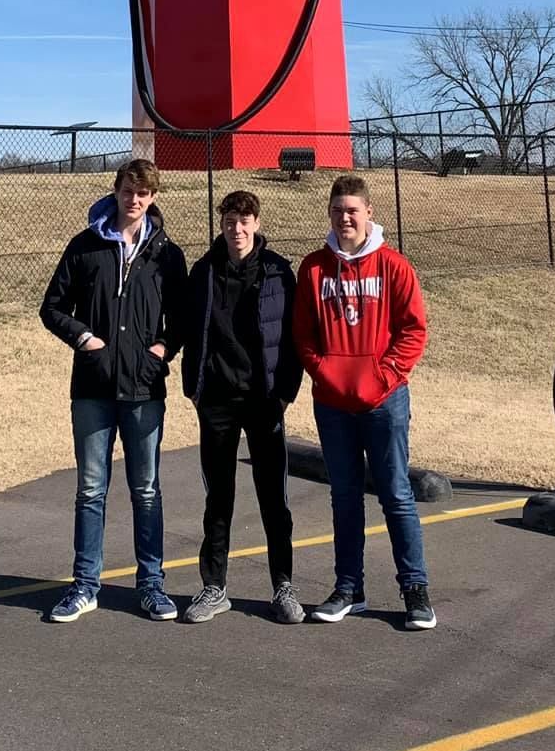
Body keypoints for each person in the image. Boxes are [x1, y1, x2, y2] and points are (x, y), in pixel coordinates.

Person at [39, 157, 186, 623]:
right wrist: (85, 338)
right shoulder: (85, 246)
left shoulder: (167, 253)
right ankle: (85, 584)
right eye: (128, 190)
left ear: (153, 197)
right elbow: (53, 306)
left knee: (145, 490)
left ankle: (152, 585)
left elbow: (182, 316)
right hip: (93, 387)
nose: (135, 198)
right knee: (90, 489)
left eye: (143, 192)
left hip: (144, 388)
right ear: (116, 190)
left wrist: (162, 348)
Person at [293, 171, 435, 630]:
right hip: (333, 402)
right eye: (337, 211)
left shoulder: (394, 266)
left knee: (396, 494)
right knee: (345, 497)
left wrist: (383, 376)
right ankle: (348, 587)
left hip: (384, 401)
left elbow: (413, 330)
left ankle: (415, 590)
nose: (344, 218)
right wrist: (327, 374)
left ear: (369, 212)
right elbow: (304, 334)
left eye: (352, 211)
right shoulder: (313, 267)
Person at [178, 189, 304, 626]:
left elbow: (294, 336)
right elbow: (186, 327)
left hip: (264, 399)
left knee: (274, 498)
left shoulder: (278, 272)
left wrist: (286, 390)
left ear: (257, 222)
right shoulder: (203, 272)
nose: (237, 228)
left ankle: (283, 585)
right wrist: (193, 388)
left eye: (244, 220)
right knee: (219, 498)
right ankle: (214, 587)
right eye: (230, 220)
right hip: (216, 399)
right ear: (222, 224)